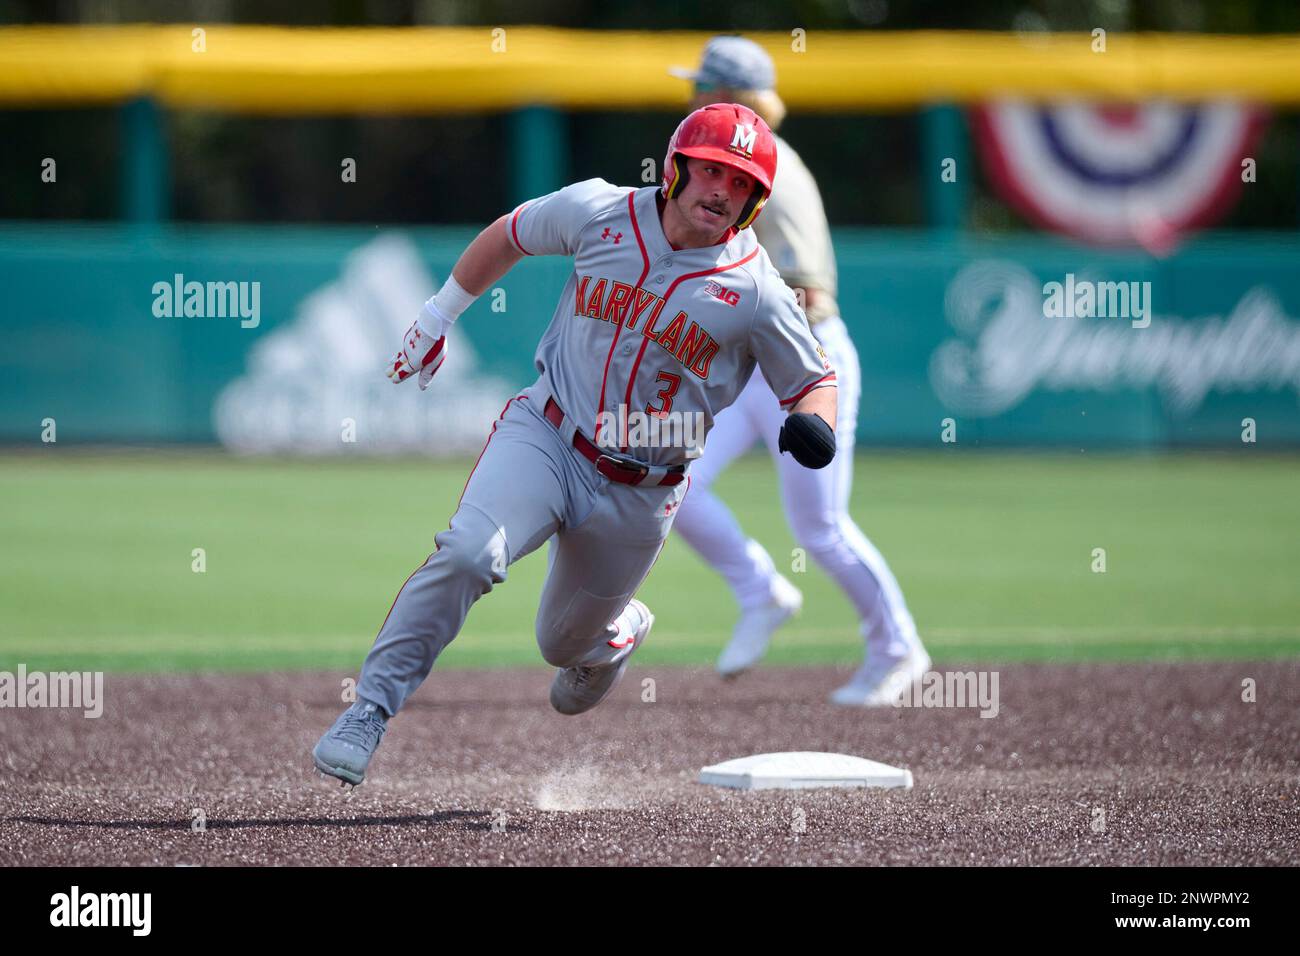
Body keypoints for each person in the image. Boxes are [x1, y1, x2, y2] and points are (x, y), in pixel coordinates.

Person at [312, 103, 838, 786]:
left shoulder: (758, 291)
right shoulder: (600, 211)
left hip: (643, 488)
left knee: (560, 647)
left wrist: (816, 424)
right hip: (549, 434)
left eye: (742, 184)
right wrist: (439, 314)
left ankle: (614, 635)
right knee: (472, 552)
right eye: (712, 171)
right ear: (677, 168)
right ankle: (370, 711)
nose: (722, 192)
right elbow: (510, 234)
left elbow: (816, 378)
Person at [668, 36, 931, 705]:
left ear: (726, 96)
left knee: (820, 527)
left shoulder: (762, 162)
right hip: (756, 367)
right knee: (677, 481)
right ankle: (761, 590)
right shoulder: (746, 160)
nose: (692, 95)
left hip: (804, 361)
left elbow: (808, 293)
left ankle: (898, 645)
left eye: (702, 87)